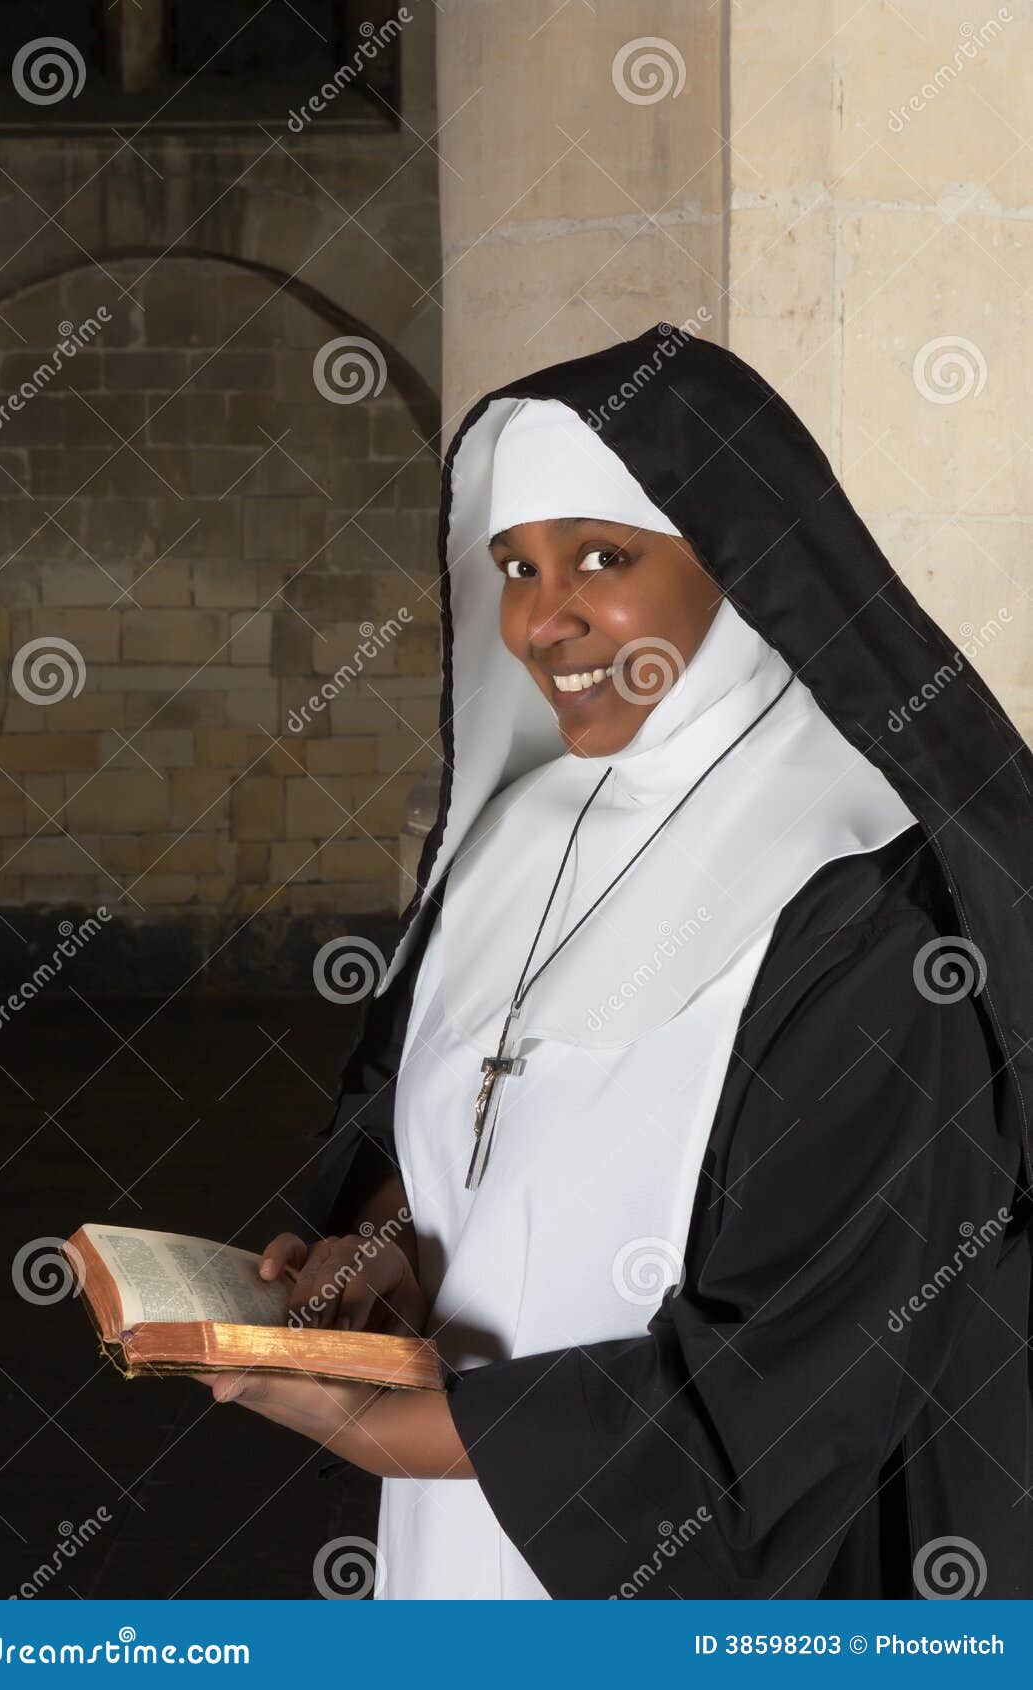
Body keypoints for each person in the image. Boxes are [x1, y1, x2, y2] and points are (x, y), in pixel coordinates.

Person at [195, 325, 1033, 1601]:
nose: (543, 620)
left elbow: (806, 1378)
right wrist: (376, 1254)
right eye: (513, 568)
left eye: (602, 556)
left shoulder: (867, 899)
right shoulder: (505, 838)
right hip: (444, 1543)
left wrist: (366, 1426)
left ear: (736, 564)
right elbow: (446, 1135)